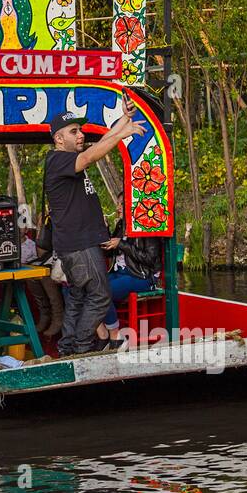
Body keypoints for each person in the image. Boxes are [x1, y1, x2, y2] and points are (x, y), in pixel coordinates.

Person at [44, 108, 145, 355]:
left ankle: (68, 348)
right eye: (74, 131)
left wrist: (124, 122)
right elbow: (91, 156)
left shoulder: (65, 161)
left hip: (77, 244)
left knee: (79, 297)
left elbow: (97, 145)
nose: (80, 135)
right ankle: (81, 346)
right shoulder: (58, 160)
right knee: (100, 296)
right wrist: (122, 134)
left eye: (81, 130)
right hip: (79, 245)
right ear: (59, 139)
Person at [100, 217, 165, 342]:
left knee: (103, 292)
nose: (118, 207)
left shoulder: (146, 224)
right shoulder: (121, 224)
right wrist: (104, 229)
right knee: (92, 288)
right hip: (119, 272)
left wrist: (122, 244)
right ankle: (104, 334)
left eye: (121, 204)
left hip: (142, 276)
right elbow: (108, 252)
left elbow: (150, 259)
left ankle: (115, 337)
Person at [22, 225, 65, 337]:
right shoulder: (49, 222)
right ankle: (45, 314)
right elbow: (42, 251)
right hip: (52, 258)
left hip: (65, 260)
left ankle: (58, 316)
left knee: (46, 276)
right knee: (33, 275)